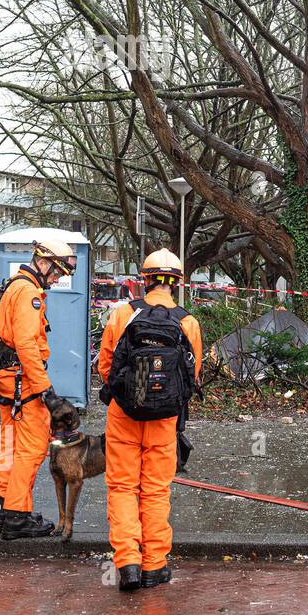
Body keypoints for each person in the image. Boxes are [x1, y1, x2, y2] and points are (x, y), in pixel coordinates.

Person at [97, 249, 202, 592]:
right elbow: (192, 376)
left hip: (124, 413)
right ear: (176, 283)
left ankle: (127, 562)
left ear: (144, 280)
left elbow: (105, 367)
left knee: (122, 486)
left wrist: (132, 390)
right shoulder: (187, 322)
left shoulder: (122, 315)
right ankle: (155, 565)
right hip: (164, 419)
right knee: (156, 490)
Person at [0, 239, 78, 540]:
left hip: (6, 377)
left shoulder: (9, 286)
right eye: (57, 272)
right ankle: (17, 516)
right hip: (22, 381)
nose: (57, 279)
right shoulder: (29, 293)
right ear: (44, 262)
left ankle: (5, 510)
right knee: (32, 448)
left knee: (9, 445)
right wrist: (46, 391)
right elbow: (26, 344)